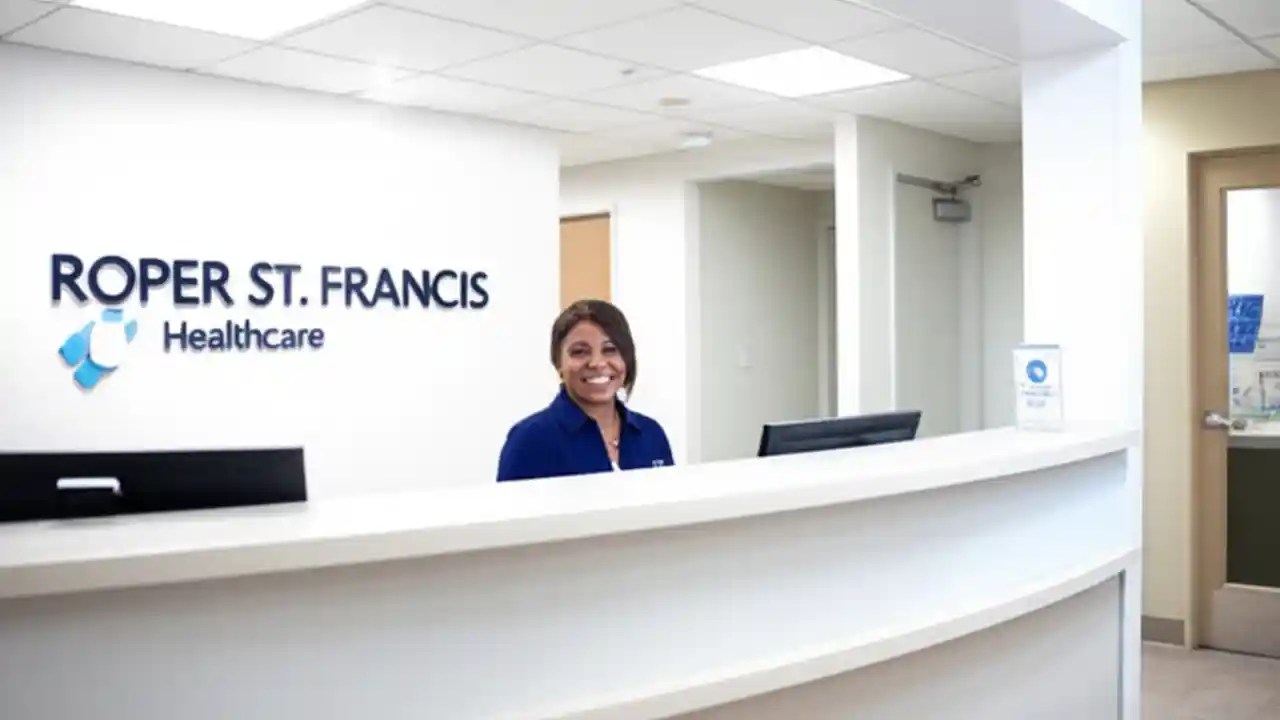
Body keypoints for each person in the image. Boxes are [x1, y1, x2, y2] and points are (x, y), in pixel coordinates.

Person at [497, 299, 674, 482]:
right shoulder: (529, 440)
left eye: (610, 349)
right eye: (580, 352)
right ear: (558, 363)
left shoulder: (651, 434)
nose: (597, 363)